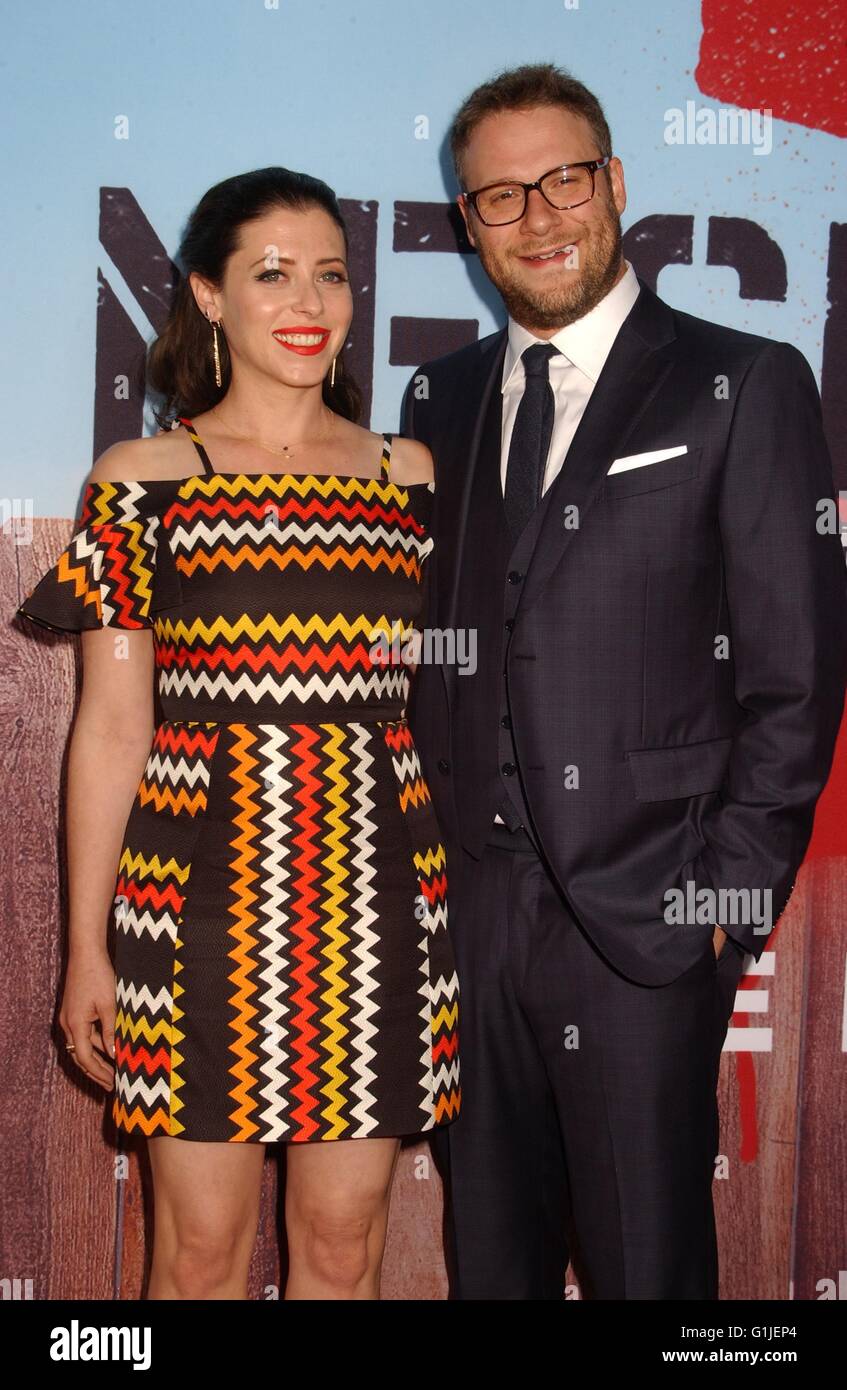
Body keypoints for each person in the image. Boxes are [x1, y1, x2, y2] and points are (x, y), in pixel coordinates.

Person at [402, 63, 847, 1299]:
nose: (538, 217)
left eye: (563, 180)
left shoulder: (742, 382)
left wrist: (726, 895)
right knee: (489, 1264)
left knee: (649, 1273)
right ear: (468, 227)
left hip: (646, 918)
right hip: (468, 918)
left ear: (615, 183)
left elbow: (795, 675)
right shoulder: (433, 400)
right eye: (500, 197)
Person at [17, 166, 460, 1300]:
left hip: (375, 896)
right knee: (199, 1256)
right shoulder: (142, 481)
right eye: (271, 273)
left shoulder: (407, 476)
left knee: (342, 1248)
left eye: (330, 273)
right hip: (195, 897)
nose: (307, 298)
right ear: (209, 296)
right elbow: (111, 730)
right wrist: (86, 945)